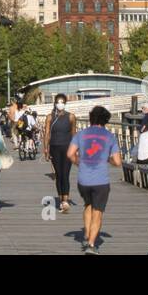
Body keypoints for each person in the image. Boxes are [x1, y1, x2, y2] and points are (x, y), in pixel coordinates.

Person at [67, 105, 122, 254]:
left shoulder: (81, 134)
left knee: (88, 205)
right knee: (98, 211)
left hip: (83, 179)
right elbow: (117, 162)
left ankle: (86, 234)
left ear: (91, 118)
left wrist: (79, 162)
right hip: (101, 181)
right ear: (106, 120)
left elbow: (70, 154)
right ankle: (91, 244)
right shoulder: (110, 136)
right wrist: (108, 160)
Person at [42, 94, 77, 213]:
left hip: (67, 148)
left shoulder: (71, 117)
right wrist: (45, 149)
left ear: (65, 103)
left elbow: (74, 134)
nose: (60, 104)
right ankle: (61, 196)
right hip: (54, 148)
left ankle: (65, 201)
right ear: (55, 103)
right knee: (58, 174)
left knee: (65, 174)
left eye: (62, 102)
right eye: (58, 102)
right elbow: (47, 134)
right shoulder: (49, 117)